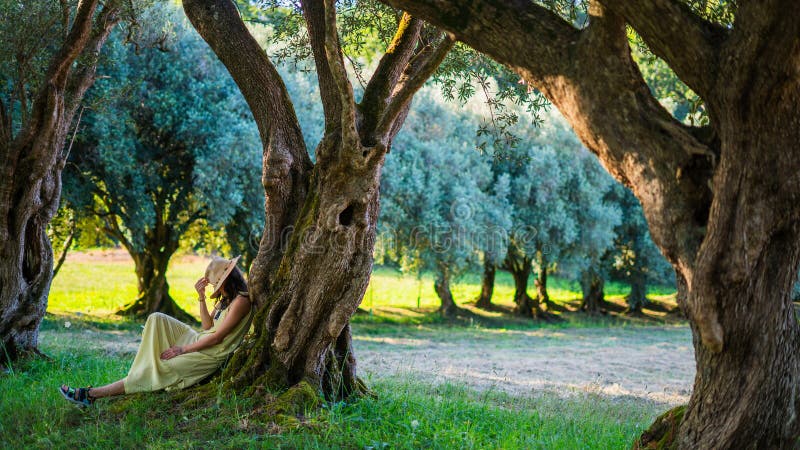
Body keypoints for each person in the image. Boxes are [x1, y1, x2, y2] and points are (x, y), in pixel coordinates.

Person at [59, 255, 253, 406]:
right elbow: (208, 327)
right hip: (200, 339)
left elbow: (217, 338)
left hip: (211, 353)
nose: (216, 290)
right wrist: (201, 297)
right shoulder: (226, 301)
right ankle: (142, 371)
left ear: (226, 281)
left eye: (216, 285)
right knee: (156, 319)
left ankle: (91, 394)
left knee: (161, 368)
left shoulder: (241, 302)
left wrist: (182, 350)